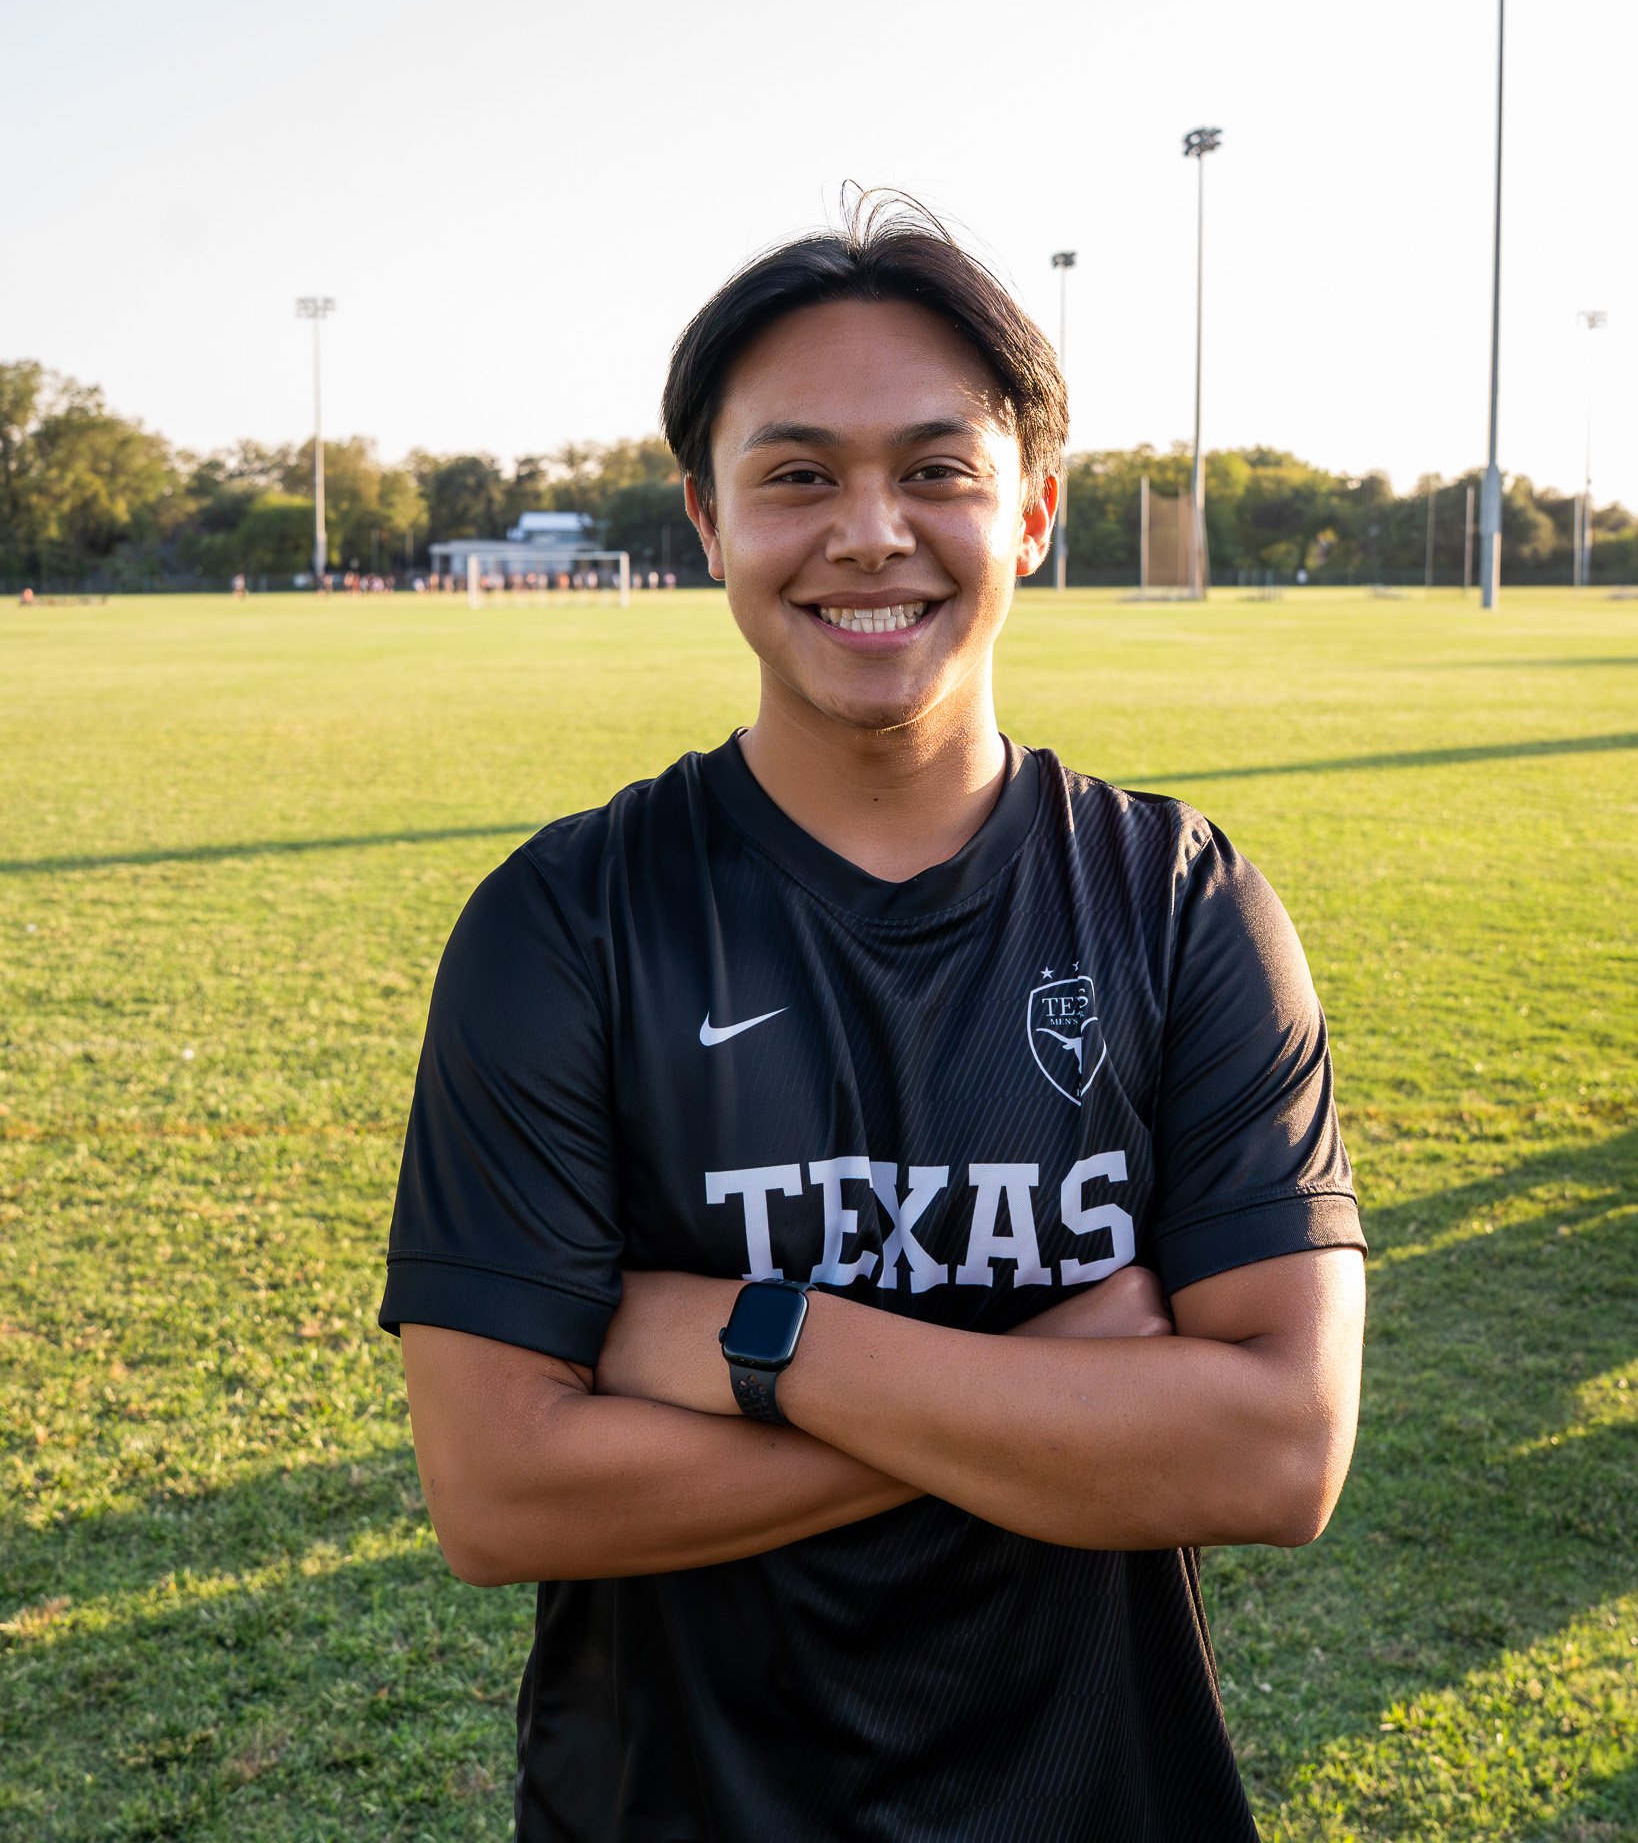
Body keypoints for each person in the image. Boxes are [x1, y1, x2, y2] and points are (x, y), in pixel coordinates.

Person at [380, 198, 1367, 1842]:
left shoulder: (1179, 901)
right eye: (797, 475)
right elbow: (501, 1493)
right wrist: (1059, 1388)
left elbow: (1276, 1454)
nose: (867, 533)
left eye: (933, 470)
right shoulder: (564, 923)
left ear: (1033, 510)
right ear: (706, 517)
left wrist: (756, 1341)